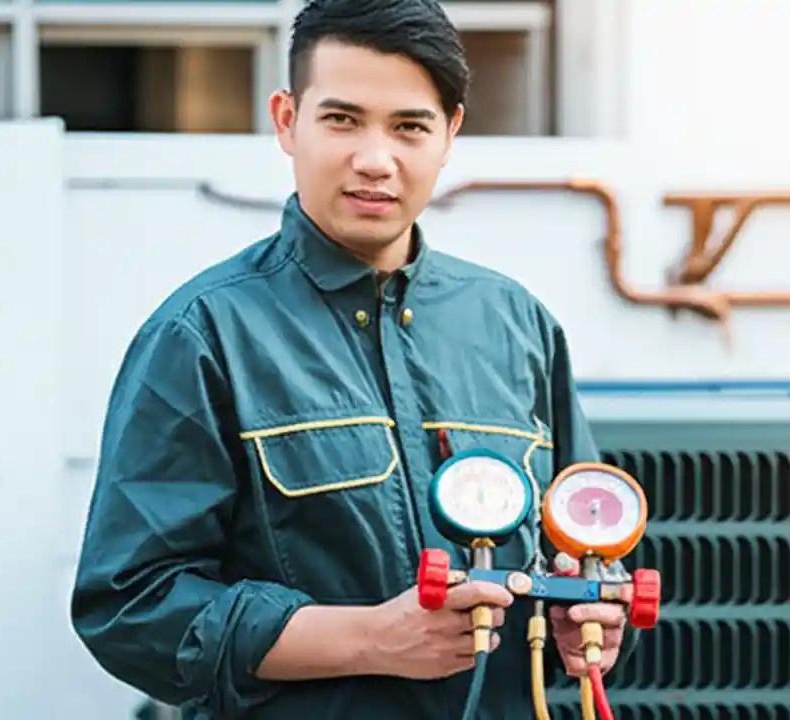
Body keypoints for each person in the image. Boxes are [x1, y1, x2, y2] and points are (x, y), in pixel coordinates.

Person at [69, 1, 636, 717]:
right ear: (286, 120)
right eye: (342, 120)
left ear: (450, 133)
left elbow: (586, 540)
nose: (375, 159)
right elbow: (130, 607)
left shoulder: (516, 324)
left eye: (409, 126)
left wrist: (586, 617)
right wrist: (368, 639)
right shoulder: (203, 333)